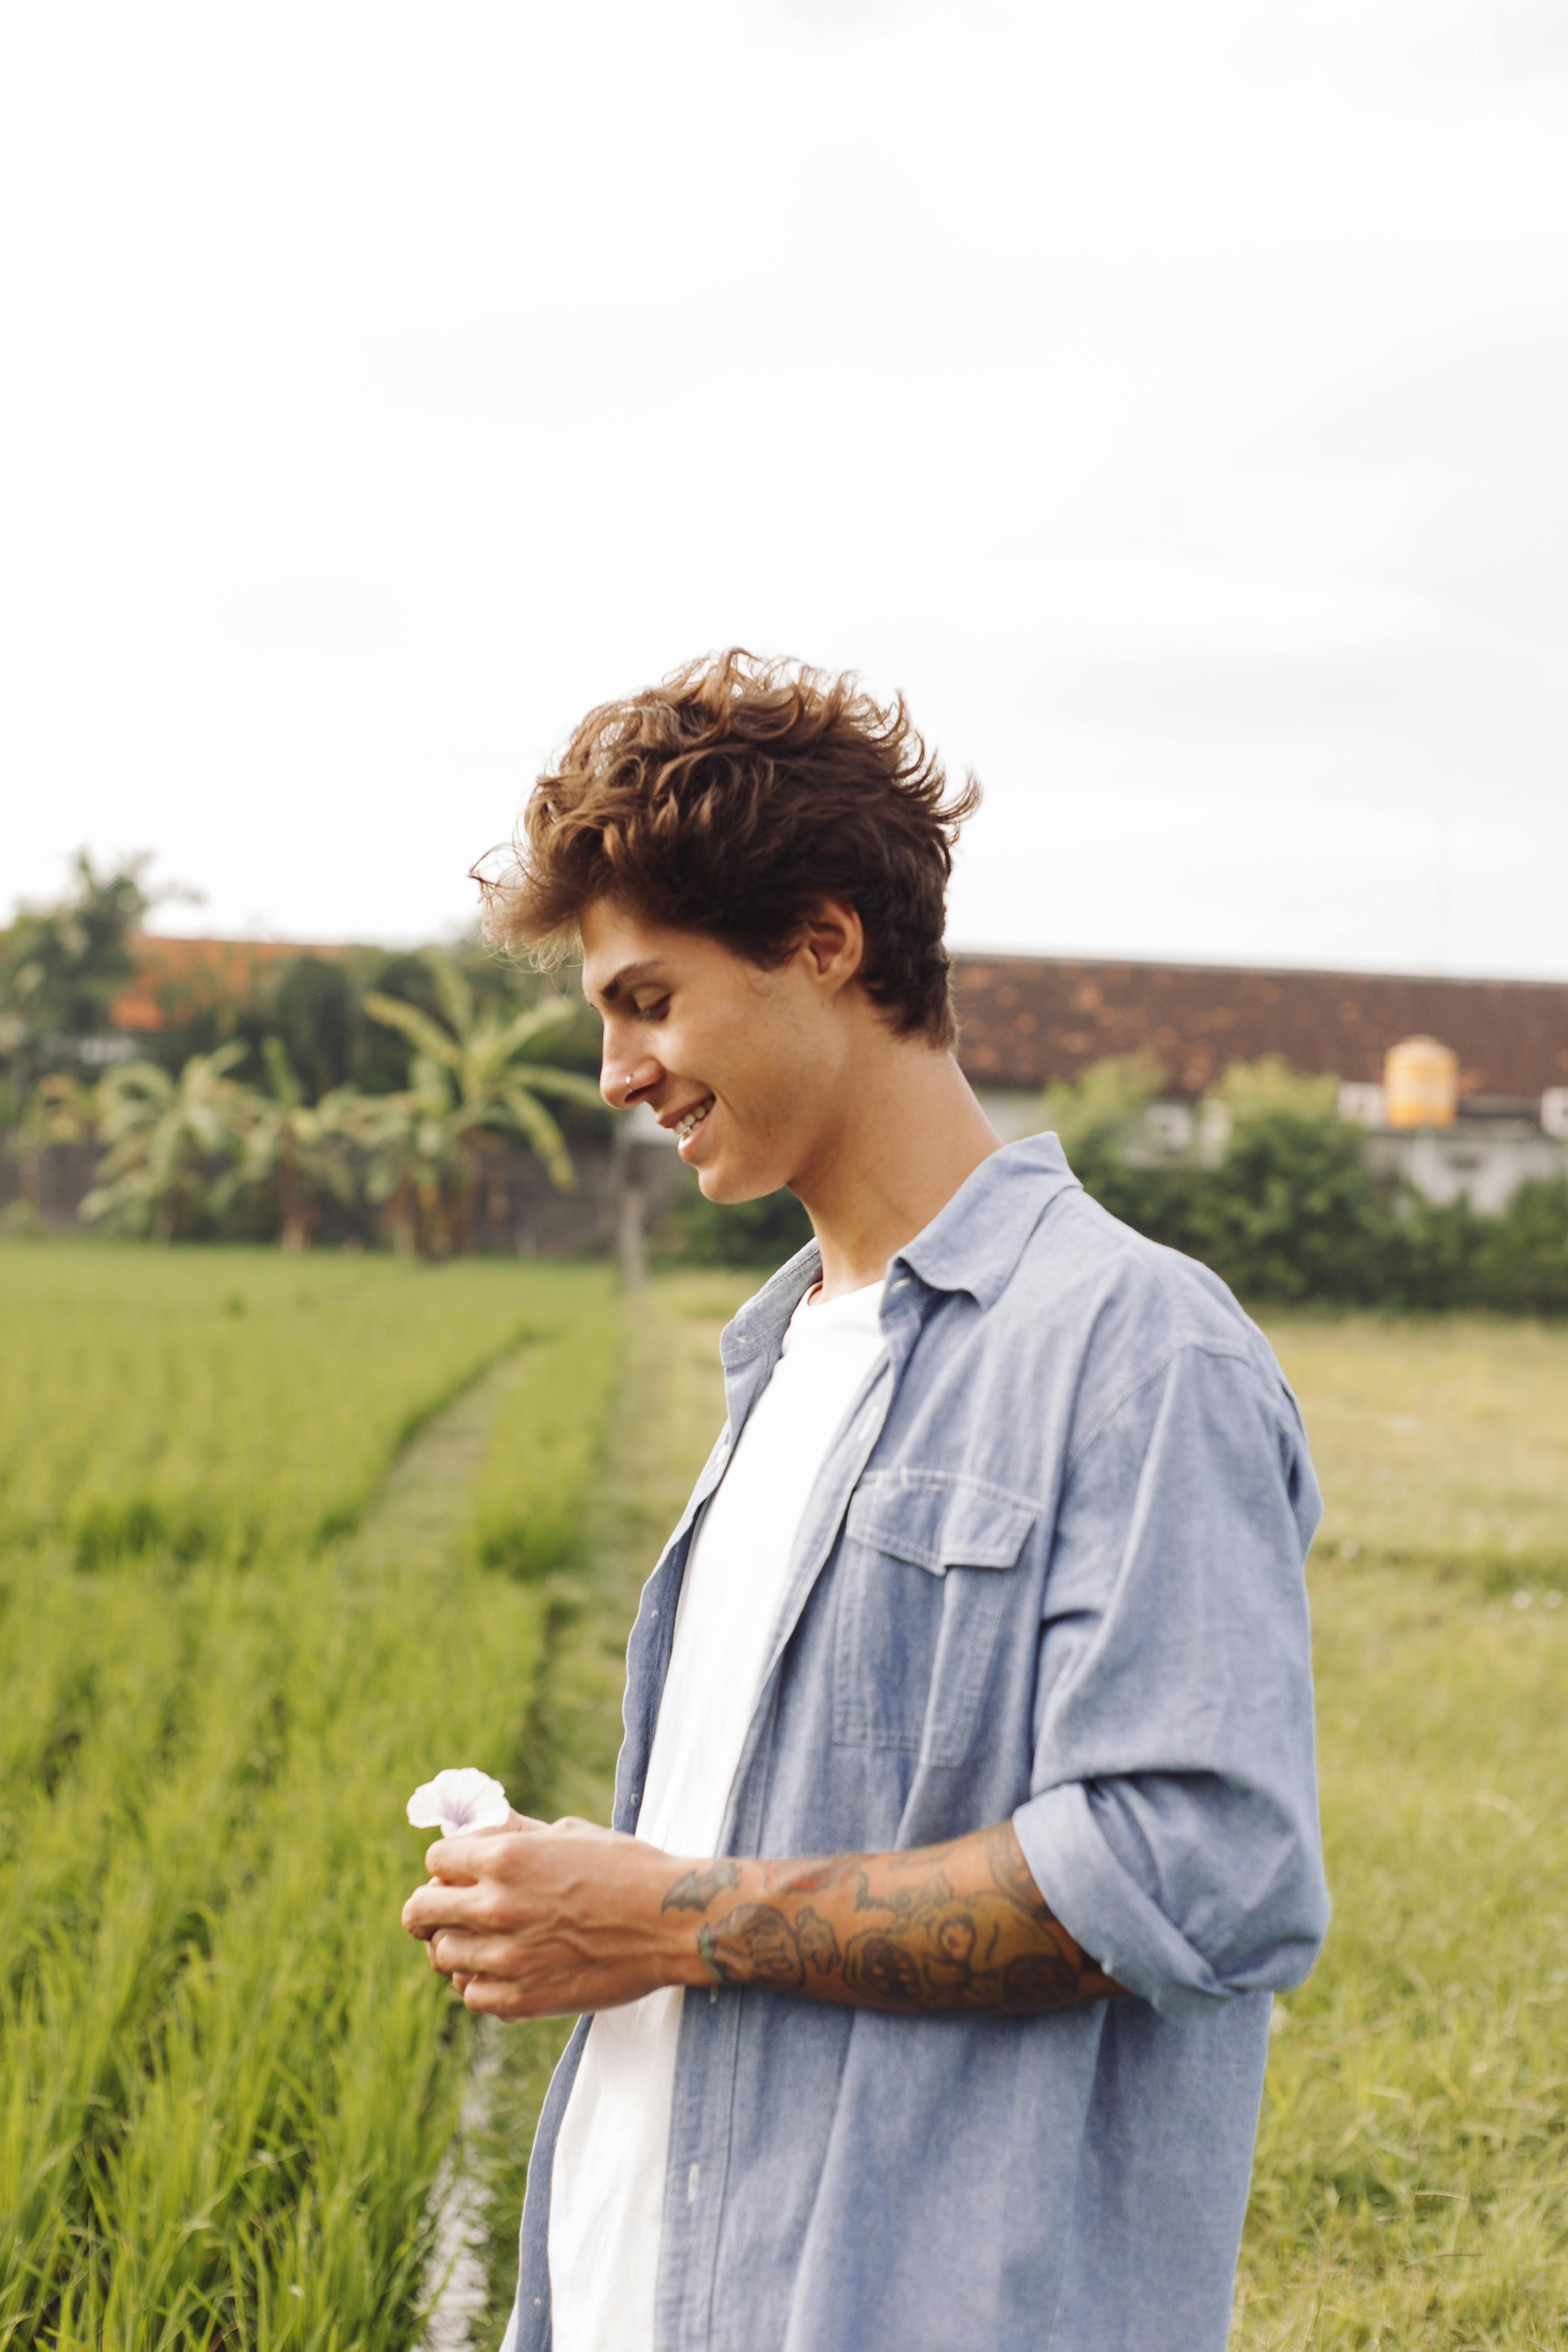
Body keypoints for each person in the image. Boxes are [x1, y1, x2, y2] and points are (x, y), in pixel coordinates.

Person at [402, 651, 1329, 2352]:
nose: (616, 1070)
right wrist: (608, 1894)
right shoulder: (783, 1356)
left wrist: (664, 1913)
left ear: (825, 943)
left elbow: (1195, 1877)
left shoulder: (1133, 1350)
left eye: (650, 1000)